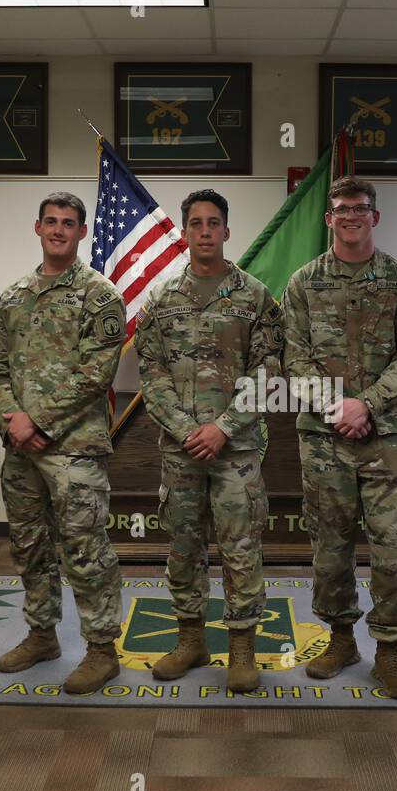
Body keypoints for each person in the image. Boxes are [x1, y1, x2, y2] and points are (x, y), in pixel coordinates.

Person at [282, 177, 397, 699]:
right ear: (329, 219)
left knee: (391, 549)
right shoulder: (303, 283)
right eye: (341, 208)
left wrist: (365, 404)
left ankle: (389, 652)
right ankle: (340, 640)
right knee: (330, 549)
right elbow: (293, 358)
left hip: (386, 438)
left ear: (375, 217)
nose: (350, 216)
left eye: (360, 208)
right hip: (324, 440)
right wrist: (335, 407)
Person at [135, 189, 283, 692]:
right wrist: (184, 429)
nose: (204, 230)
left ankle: (242, 647)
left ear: (226, 230)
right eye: (195, 222)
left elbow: (269, 373)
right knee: (184, 546)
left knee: (240, 549)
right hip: (180, 452)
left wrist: (222, 427)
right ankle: (191, 639)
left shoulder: (255, 296)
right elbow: (149, 371)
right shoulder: (160, 298)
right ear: (184, 231)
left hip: (235, 451)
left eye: (213, 222)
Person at [0, 191, 127, 695]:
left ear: (82, 232)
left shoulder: (99, 295)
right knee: (30, 547)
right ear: (38, 227)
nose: (59, 230)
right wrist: (12, 420)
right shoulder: (13, 296)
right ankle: (42, 634)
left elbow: (96, 372)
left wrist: (37, 420)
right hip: (21, 450)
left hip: (74, 448)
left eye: (69, 223)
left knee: (86, 551)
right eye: (51, 221)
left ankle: (101, 649)